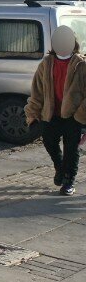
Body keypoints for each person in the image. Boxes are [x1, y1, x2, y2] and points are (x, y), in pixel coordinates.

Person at [25, 25, 86, 196]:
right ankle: (59, 167)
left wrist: (81, 115)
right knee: (49, 142)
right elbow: (37, 91)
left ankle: (68, 181)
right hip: (50, 114)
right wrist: (33, 114)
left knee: (71, 149)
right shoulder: (46, 63)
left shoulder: (81, 65)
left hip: (74, 116)